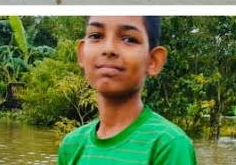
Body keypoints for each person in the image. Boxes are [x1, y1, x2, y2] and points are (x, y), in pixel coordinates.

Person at [58, 16, 197, 164]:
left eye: (129, 39)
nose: (109, 49)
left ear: (153, 61)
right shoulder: (71, 145)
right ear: (82, 54)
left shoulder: (169, 145)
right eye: (96, 36)